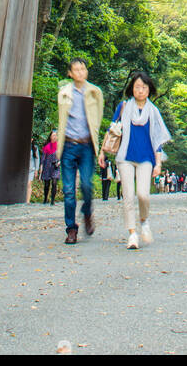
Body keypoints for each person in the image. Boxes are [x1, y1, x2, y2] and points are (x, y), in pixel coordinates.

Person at [104, 70, 171, 250]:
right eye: (137, 87)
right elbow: (112, 129)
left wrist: (158, 163)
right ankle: (132, 233)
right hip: (125, 156)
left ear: (149, 90)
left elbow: (157, 140)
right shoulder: (124, 106)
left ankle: (144, 220)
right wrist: (102, 152)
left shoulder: (153, 111)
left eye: (144, 87)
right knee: (127, 195)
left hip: (146, 157)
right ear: (131, 89)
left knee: (143, 194)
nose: (140, 90)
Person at [56, 57, 105, 246]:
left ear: (86, 71)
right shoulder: (64, 93)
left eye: (82, 69)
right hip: (68, 145)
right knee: (68, 191)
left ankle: (87, 212)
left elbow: (98, 120)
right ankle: (71, 229)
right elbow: (62, 119)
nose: (79, 72)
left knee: (86, 185)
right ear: (70, 73)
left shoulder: (95, 92)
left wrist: (97, 145)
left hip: (86, 146)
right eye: (75, 69)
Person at [41, 130, 60, 205]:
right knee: (47, 184)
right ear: (50, 137)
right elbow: (43, 158)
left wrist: (59, 162)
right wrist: (41, 167)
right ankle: (45, 198)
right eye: (53, 135)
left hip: (55, 166)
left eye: (56, 135)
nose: (54, 137)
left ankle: (52, 200)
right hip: (47, 166)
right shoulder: (46, 146)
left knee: (54, 182)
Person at [27, 137, 39, 203]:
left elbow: (37, 159)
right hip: (24, 170)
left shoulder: (34, 148)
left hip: (31, 169)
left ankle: (27, 201)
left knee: (29, 184)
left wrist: (36, 170)